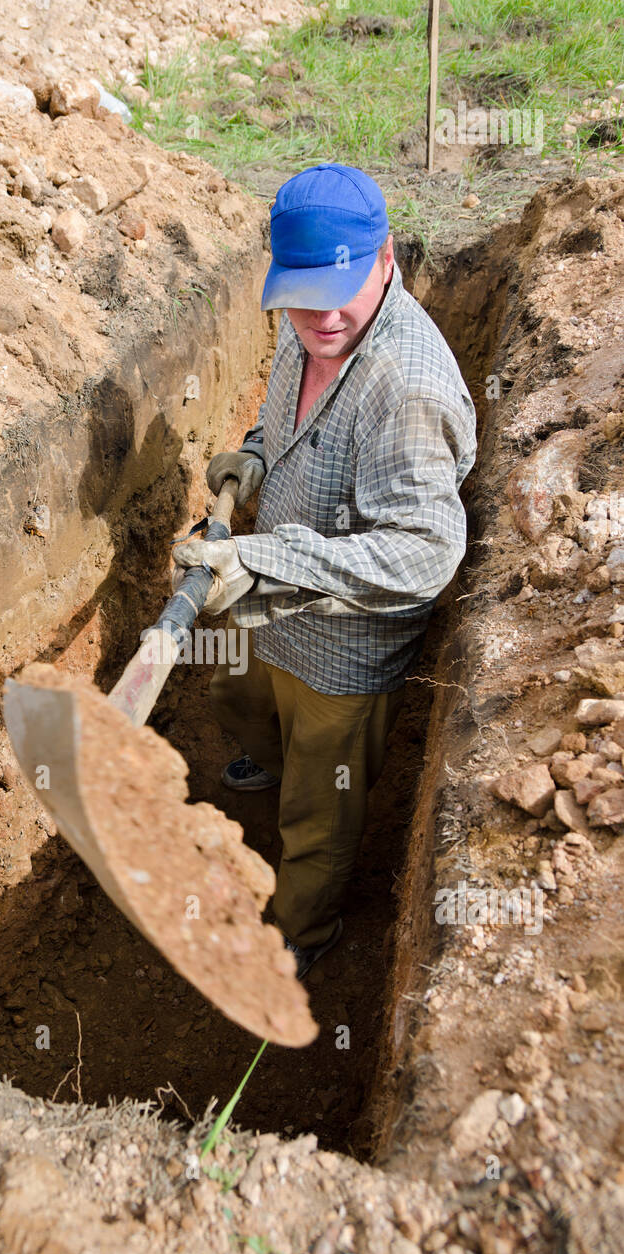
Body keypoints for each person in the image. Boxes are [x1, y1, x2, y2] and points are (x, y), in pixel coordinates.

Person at [172, 164, 476, 978]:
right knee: (243, 695)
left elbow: (422, 552)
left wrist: (262, 560)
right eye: (303, 293)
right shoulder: (305, 319)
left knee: (319, 801)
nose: (325, 315)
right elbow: (287, 425)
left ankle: (303, 931)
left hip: (344, 642)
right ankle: (261, 759)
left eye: (344, 287)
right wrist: (256, 458)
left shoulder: (403, 385)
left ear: (385, 261)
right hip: (269, 604)